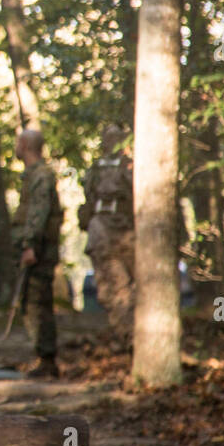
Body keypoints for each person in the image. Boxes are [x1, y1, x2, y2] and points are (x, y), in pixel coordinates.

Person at [12, 128, 63, 378]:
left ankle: (48, 360)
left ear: (24, 145)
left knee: (38, 303)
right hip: (35, 248)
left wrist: (30, 245)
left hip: (39, 251)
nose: (15, 147)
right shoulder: (33, 175)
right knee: (31, 303)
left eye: (17, 142)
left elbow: (39, 212)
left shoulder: (41, 176)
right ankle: (43, 358)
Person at [78, 124, 135, 341]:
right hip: (104, 232)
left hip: (125, 233)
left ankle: (129, 334)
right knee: (112, 289)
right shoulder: (96, 169)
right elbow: (88, 199)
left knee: (126, 288)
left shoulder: (131, 167)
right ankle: (124, 334)